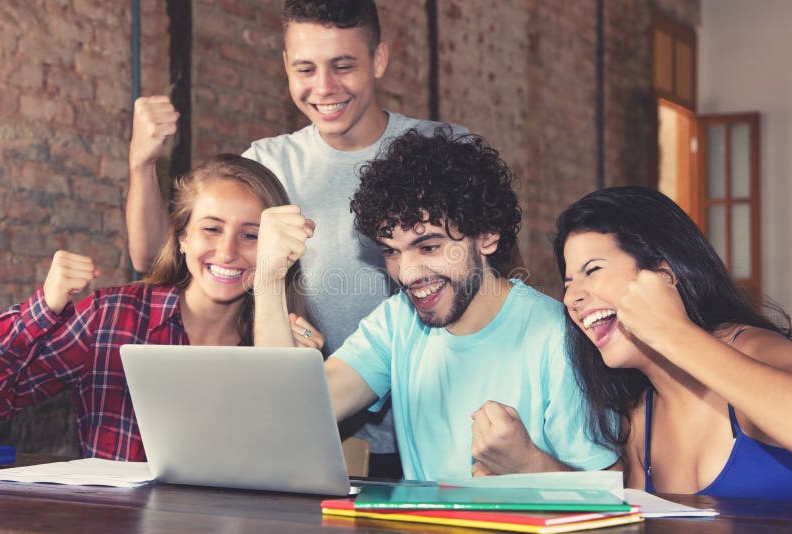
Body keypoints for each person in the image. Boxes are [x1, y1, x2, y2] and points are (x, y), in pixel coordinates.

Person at [126, 0, 468, 473]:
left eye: (343, 66)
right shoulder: (268, 164)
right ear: (286, 65)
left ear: (379, 59)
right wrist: (142, 164)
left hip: (436, 429)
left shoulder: (443, 151)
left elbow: (490, 283)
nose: (324, 87)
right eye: (306, 68)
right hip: (309, 426)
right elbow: (154, 259)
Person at [253, 128, 618, 481]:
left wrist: (529, 465)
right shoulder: (398, 322)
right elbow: (290, 415)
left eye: (428, 247)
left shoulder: (559, 337)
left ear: (487, 235)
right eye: (391, 251)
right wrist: (269, 278)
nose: (408, 274)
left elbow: (614, 490)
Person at [0, 155, 323, 460]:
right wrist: (43, 308)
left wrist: (298, 371)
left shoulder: (280, 338)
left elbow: (288, 458)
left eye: (251, 236)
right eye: (211, 229)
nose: (226, 252)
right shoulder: (111, 317)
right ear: (182, 237)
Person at [555, 186, 792, 499]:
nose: (571, 297)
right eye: (568, 283)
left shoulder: (755, 348)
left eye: (593, 270)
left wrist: (673, 331)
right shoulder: (639, 422)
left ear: (664, 276)